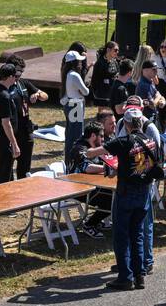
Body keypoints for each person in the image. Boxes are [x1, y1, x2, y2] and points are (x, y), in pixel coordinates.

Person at [90, 108, 158, 291]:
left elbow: (96, 152)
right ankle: (139, 274)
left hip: (126, 192)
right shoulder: (151, 141)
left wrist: (85, 151)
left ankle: (125, 277)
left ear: (126, 124)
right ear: (141, 122)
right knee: (137, 234)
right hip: (144, 191)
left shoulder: (123, 141)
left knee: (121, 235)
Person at [0, 63, 21, 185]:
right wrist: (14, 143)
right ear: (10, 77)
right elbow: (6, 123)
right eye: (15, 76)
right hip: (4, 140)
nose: (16, 79)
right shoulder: (5, 96)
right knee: (4, 172)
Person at [60, 49, 90, 163]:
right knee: (76, 135)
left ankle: (69, 160)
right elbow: (86, 91)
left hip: (70, 104)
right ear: (74, 62)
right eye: (79, 61)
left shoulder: (66, 73)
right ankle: (73, 160)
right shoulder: (74, 75)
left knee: (70, 134)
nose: (81, 63)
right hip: (76, 105)